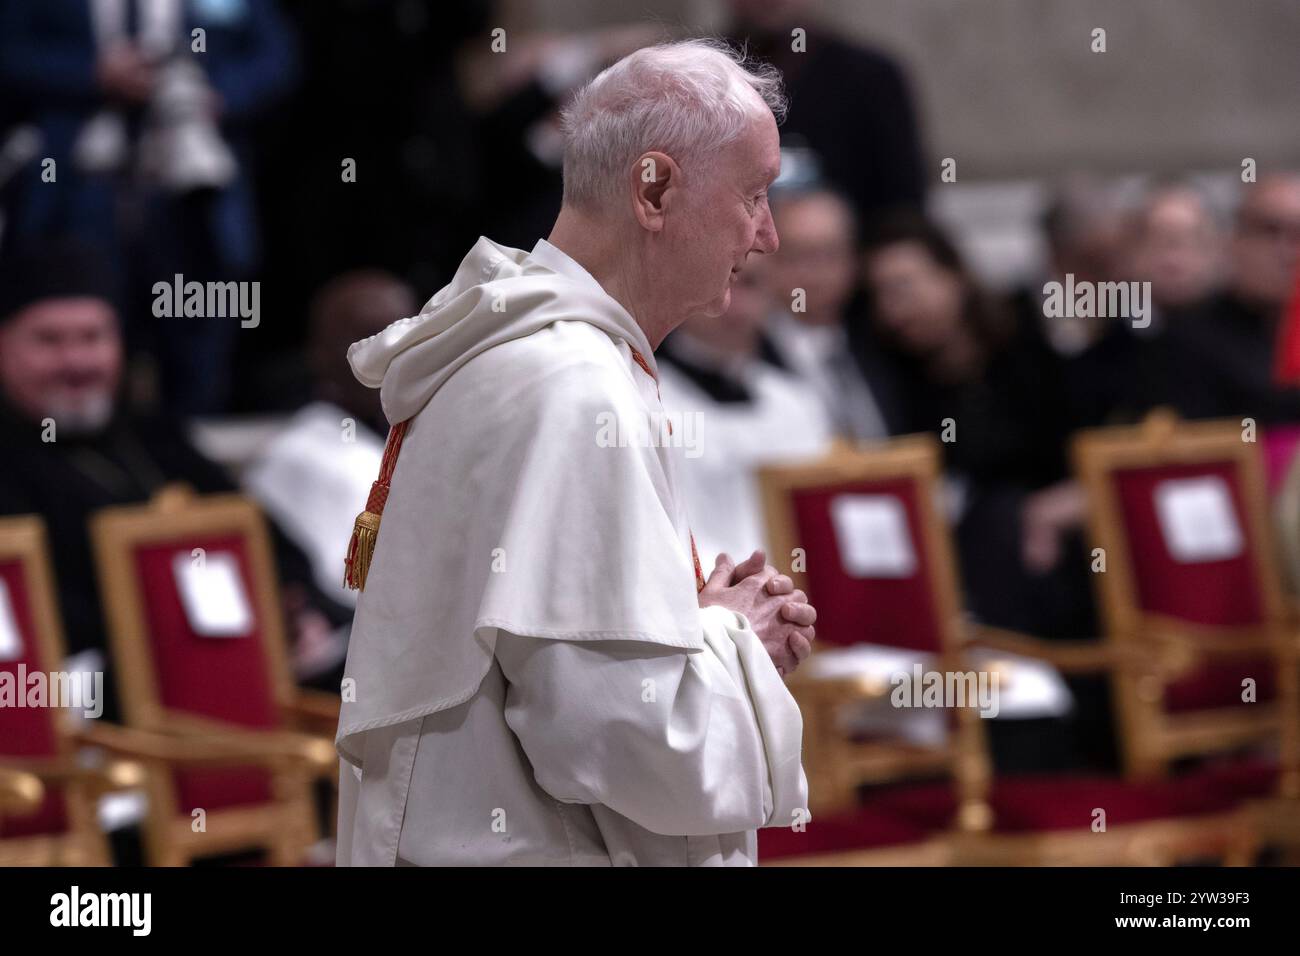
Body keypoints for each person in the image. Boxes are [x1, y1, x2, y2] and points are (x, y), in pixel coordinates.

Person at [334, 40, 815, 867]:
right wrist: (738, 641)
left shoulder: (528, 350)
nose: (768, 235)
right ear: (654, 189)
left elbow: (553, 659)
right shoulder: (570, 385)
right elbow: (615, 737)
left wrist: (678, 621)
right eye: (753, 194)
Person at [0, 237, 345, 720]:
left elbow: (261, 537)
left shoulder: (152, 437)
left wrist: (293, 608)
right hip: (96, 706)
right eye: (50, 340)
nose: (76, 363)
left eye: (92, 337)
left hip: (232, 673)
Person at [242, 270, 416, 678]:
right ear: (320, 353)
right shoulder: (297, 455)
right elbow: (343, 597)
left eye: (406, 334)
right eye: (370, 337)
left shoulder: (423, 438)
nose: (390, 352)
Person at [657, 266, 831, 563]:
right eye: (719, 281)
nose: (731, 303)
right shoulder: (648, 400)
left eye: (749, 284)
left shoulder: (797, 402)